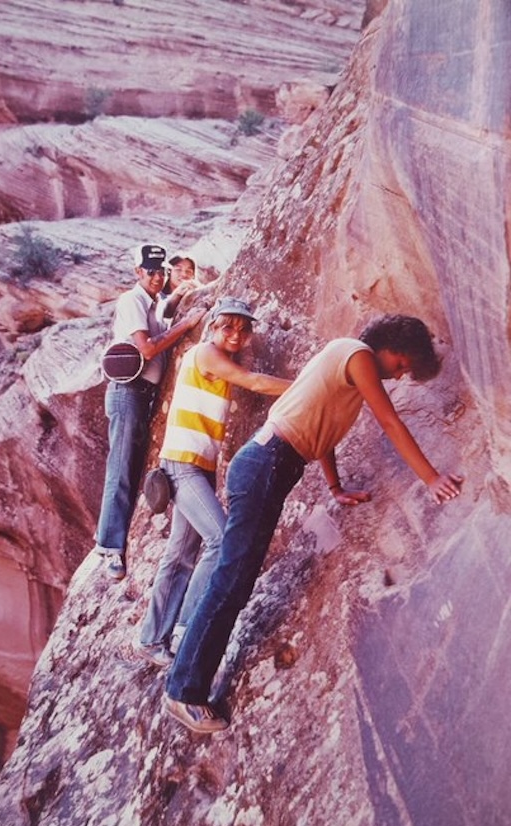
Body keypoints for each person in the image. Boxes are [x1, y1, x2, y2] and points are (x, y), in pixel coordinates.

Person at [163, 314, 464, 733]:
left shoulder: (342, 358)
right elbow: (391, 421)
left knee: (235, 578)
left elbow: (319, 428)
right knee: (231, 580)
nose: (398, 375)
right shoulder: (358, 356)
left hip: (270, 463)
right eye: (401, 365)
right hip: (267, 463)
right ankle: (183, 691)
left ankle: (185, 682)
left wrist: (335, 485)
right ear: (391, 347)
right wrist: (432, 478)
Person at [138, 297, 292, 666]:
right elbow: (253, 381)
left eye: (243, 328)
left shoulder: (221, 357)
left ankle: (151, 639)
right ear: (212, 328)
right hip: (182, 465)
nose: (236, 334)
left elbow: (246, 369)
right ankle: (185, 629)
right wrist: (307, 384)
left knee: (179, 555)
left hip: (197, 466)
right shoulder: (205, 354)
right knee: (221, 540)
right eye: (228, 326)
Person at [94, 243, 206, 581]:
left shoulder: (155, 303)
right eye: (150, 270)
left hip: (142, 394)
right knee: (121, 468)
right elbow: (146, 348)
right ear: (137, 272)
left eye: (161, 271)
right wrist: (186, 325)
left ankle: (113, 537)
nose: (157, 277)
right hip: (128, 392)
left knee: (132, 466)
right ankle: (110, 548)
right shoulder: (132, 301)